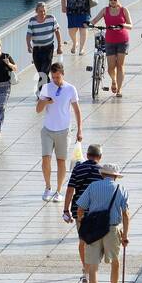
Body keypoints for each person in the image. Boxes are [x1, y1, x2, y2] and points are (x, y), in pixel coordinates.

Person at [75, 162, 129, 283]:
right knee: (115, 262)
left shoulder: (92, 187)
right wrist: (125, 235)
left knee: (92, 266)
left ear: (102, 174)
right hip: (112, 229)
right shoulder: (120, 189)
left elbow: (80, 209)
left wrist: (83, 225)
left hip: (93, 230)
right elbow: (126, 214)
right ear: (115, 177)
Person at [37, 62, 83, 201]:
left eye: (58, 77)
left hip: (63, 131)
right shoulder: (46, 87)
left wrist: (80, 129)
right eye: (53, 77)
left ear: (63, 74)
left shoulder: (70, 89)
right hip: (47, 130)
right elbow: (38, 109)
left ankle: (58, 191)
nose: (55, 80)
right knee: (45, 159)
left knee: (61, 161)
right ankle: (47, 187)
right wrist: (45, 102)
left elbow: (77, 110)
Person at [62, 143, 105, 283]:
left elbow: (70, 189)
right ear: (100, 157)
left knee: (83, 241)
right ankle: (91, 268)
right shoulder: (102, 171)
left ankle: (86, 271)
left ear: (87, 155)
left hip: (79, 210)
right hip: (96, 211)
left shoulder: (78, 168)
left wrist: (65, 210)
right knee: (93, 242)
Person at [90, 0, 131, 98]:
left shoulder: (124, 10)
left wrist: (122, 25)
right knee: (110, 67)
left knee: (120, 65)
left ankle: (119, 90)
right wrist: (88, 24)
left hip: (123, 40)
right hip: (110, 40)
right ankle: (114, 81)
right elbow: (94, 21)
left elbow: (130, 25)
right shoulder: (105, 10)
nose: (113, 1)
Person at [26, 2, 62, 93]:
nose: (42, 13)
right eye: (40, 11)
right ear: (36, 11)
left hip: (48, 48)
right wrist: (28, 45)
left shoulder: (51, 18)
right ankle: (52, 87)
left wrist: (59, 46)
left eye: (44, 11)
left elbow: (57, 32)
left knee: (44, 72)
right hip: (37, 50)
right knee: (41, 72)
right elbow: (28, 34)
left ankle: (40, 92)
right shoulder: (32, 21)